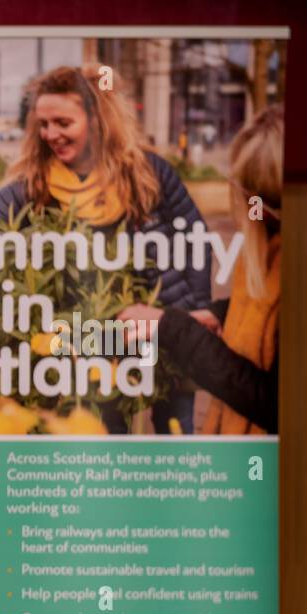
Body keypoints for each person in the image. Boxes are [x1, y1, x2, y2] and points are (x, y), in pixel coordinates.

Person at [0, 64, 210, 432]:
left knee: (176, 436)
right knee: (104, 440)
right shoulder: (35, 184)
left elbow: (195, 240)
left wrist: (193, 315)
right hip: (94, 342)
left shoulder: (149, 173)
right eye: (43, 123)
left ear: (98, 119)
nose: (51, 134)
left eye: (63, 123)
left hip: (162, 329)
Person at [119, 105, 282, 435]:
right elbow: (259, 310)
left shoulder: (153, 170)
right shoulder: (271, 247)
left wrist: (180, 320)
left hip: (168, 325)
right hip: (160, 325)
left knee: (176, 422)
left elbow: (275, 401)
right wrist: (215, 314)